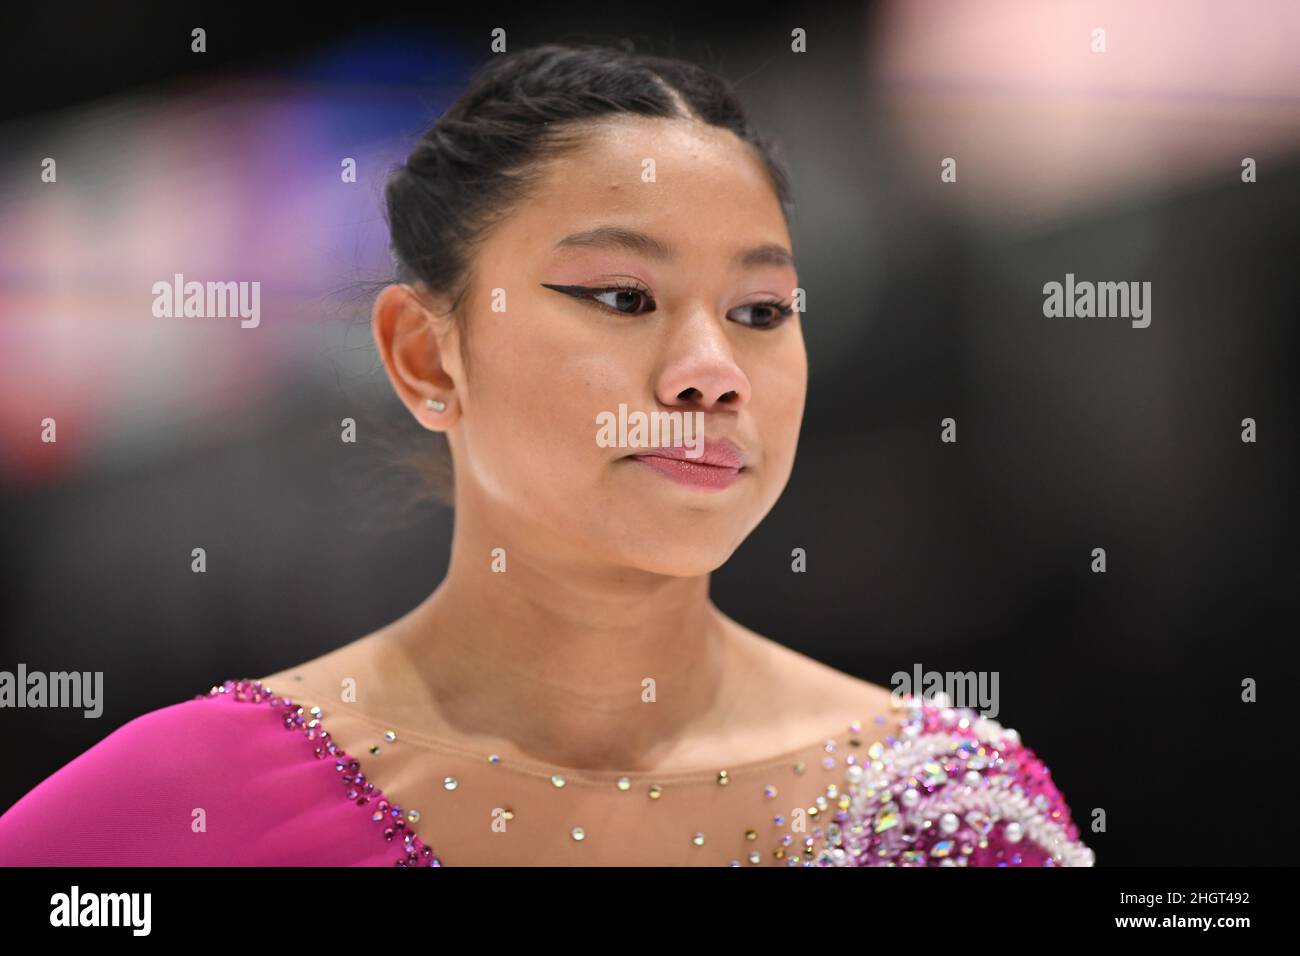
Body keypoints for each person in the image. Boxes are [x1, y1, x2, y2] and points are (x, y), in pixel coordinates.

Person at [0, 41, 1092, 867]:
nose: (709, 370)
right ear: (427, 355)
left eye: (761, 308)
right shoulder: (179, 803)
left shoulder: (956, 812)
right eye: (622, 296)